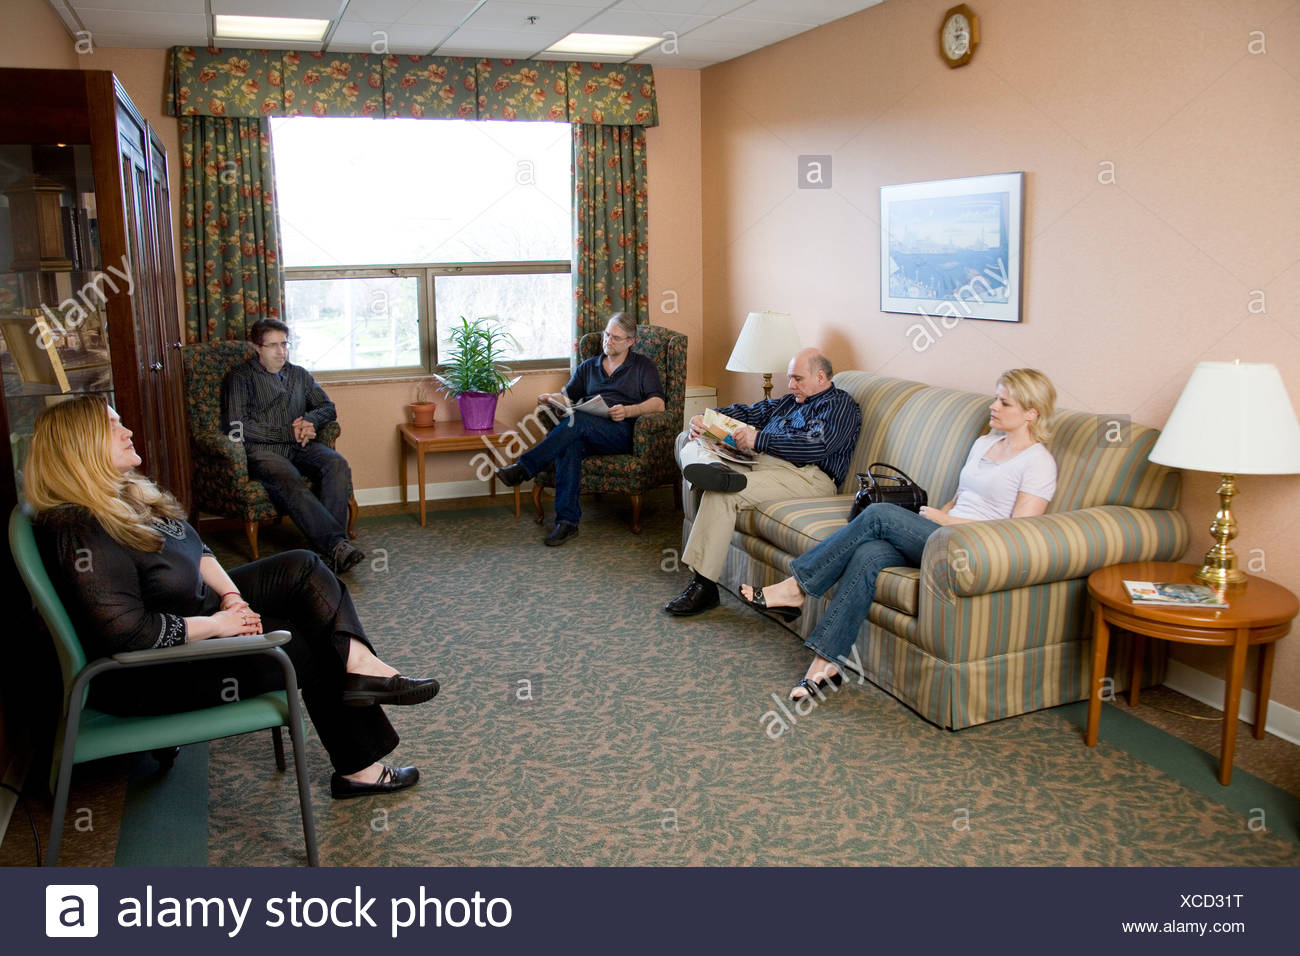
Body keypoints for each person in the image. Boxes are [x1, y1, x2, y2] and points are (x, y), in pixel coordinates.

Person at [25, 395, 440, 799]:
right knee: (310, 642)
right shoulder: (81, 529)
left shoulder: (125, 494)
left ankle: (360, 664)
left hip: (196, 614)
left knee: (303, 566)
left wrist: (231, 597)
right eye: (114, 426)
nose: (128, 431)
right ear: (80, 444)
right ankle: (359, 768)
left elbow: (198, 550)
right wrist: (220, 626)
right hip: (154, 674)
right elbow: (129, 634)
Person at [740, 368, 1058, 702]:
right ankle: (824, 665)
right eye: (996, 398)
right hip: (939, 534)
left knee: (877, 515)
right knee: (868, 555)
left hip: (975, 548)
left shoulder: (1038, 463)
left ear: (1031, 413)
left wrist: (945, 523)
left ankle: (795, 588)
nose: (993, 406)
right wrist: (939, 515)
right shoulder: (985, 443)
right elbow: (961, 497)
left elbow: (1017, 534)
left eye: (1004, 402)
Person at [664, 348, 862, 616]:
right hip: (763, 464)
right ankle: (714, 468)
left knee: (723, 493)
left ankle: (704, 586)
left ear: (820, 377)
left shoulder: (839, 405)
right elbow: (751, 412)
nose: (791, 384)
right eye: (790, 378)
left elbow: (817, 446)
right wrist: (708, 419)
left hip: (806, 476)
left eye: (797, 378)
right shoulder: (791, 401)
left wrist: (760, 440)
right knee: (689, 437)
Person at [495, 312, 666, 546]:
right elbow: (568, 397)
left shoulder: (642, 366)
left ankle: (524, 468)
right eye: (607, 335)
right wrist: (551, 398)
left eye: (616, 337)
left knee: (578, 420)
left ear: (630, 342)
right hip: (586, 429)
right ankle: (566, 523)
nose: (608, 341)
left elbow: (658, 403)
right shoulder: (589, 366)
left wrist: (628, 411)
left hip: (622, 433)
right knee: (571, 444)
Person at [223, 318, 364, 573]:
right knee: (288, 476)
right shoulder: (240, 377)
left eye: (285, 344)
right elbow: (236, 426)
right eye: (273, 346)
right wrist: (287, 432)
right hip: (262, 451)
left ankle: (331, 547)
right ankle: (335, 546)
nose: (281, 352)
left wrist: (309, 420)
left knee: (336, 463)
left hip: (300, 446)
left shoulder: (299, 374)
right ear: (257, 347)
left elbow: (328, 408)